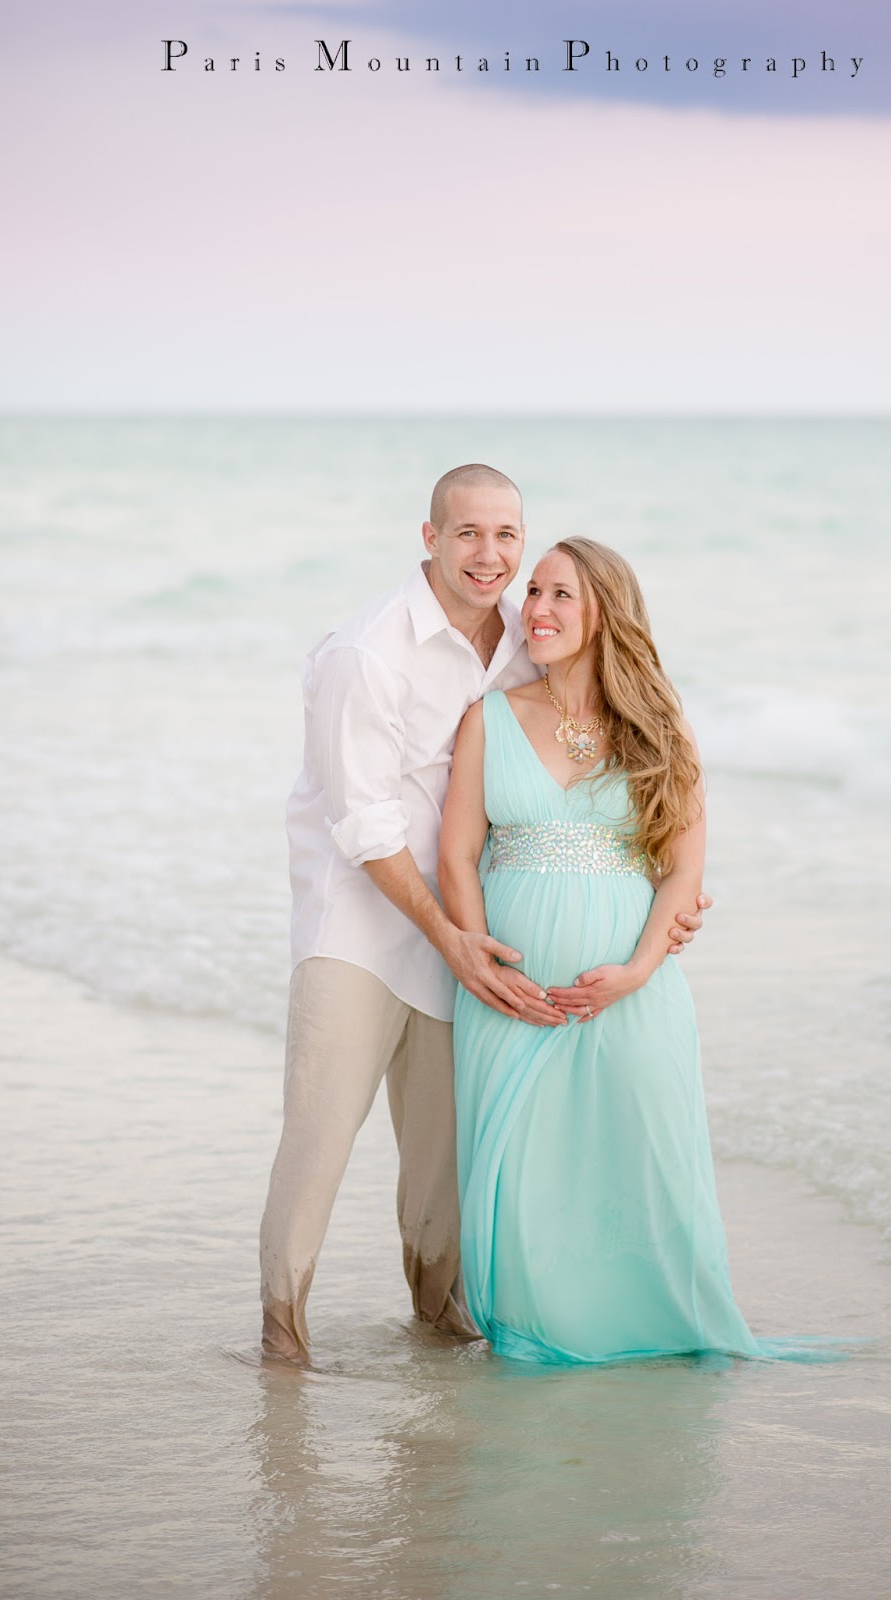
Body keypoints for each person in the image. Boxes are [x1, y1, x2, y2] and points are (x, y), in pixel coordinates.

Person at [260, 469, 710, 1363]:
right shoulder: (367, 655)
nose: (492, 556)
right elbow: (365, 825)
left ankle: (443, 1329)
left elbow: (614, 772)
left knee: (441, 1166)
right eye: (469, 534)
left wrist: (666, 904)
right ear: (428, 536)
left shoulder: (520, 631)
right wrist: (453, 938)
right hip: (362, 930)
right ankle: (282, 1340)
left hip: (463, 940)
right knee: (319, 1140)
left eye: (507, 535)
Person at [439, 537, 760, 1364]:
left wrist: (639, 969)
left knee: (639, 1159)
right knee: (524, 1172)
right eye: (533, 592)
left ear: (605, 613)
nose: (537, 609)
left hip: (631, 986)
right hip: (511, 995)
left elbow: (684, 865)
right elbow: (456, 854)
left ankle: (651, 1331)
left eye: (561, 595)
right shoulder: (489, 717)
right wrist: (480, 958)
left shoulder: (657, 725)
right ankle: (536, 1335)